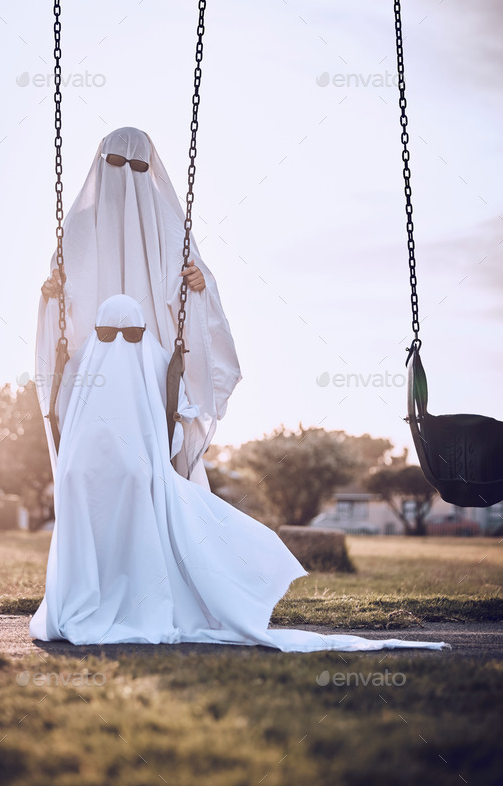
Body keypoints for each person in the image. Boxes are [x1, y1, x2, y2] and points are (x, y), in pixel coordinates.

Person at [29, 294, 450, 654]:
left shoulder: (128, 362)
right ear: (99, 332)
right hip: (99, 479)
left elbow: (183, 388)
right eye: (110, 334)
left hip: (123, 478)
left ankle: (120, 599)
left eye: (131, 334)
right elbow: (66, 406)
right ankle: (106, 598)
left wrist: (194, 298)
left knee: (146, 520)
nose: (121, 344)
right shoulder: (98, 364)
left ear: (141, 332)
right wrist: (50, 302)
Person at [36, 126, 241, 488]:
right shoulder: (78, 228)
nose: (127, 176)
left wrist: (198, 287)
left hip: (154, 363)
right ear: (101, 165)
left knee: (151, 464)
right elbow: (61, 297)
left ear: (152, 168)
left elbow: (197, 291)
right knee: (97, 464)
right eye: (116, 163)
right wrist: (52, 293)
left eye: (138, 166)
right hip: (94, 365)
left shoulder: (173, 229)